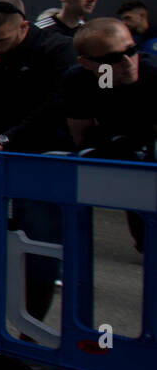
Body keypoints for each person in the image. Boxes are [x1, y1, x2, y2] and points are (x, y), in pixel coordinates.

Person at [62, 17, 157, 252]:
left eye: (132, 50)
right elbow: (80, 135)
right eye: (113, 58)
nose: (127, 62)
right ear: (86, 63)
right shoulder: (81, 80)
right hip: (117, 142)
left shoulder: (151, 75)